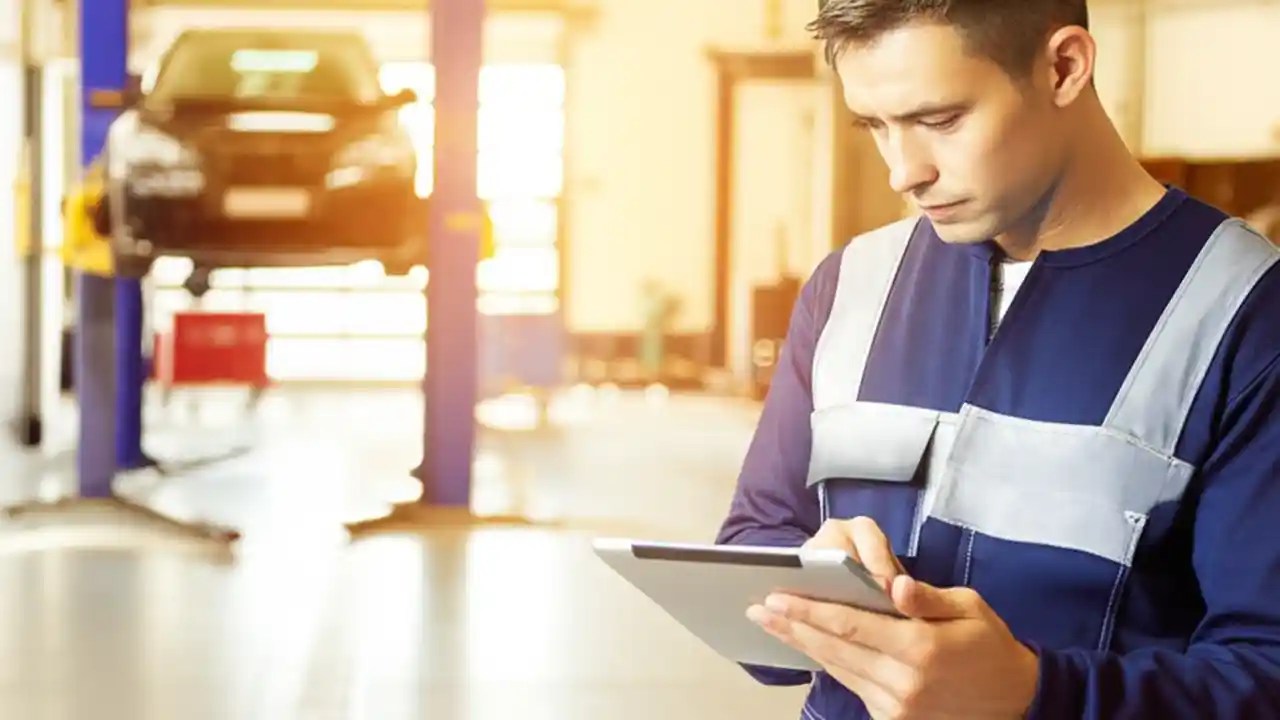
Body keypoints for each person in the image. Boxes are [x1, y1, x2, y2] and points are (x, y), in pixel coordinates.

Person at [715, 1, 1280, 718]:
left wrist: (1036, 695)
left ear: (1064, 67)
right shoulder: (849, 285)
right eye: (876, 127)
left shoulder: (1248, 316)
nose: (903, 172)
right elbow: (755, 542)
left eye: (940, 120)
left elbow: (1267, 669)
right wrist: (812, 582)